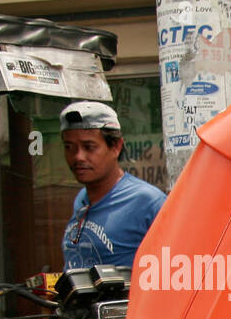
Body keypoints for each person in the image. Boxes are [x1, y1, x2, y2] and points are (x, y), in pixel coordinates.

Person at [59, 101, 166, 269]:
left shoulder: (148, 202)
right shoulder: (82, 200)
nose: (78, 156)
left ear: (116, 146)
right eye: (69, 147)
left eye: (89, 147)